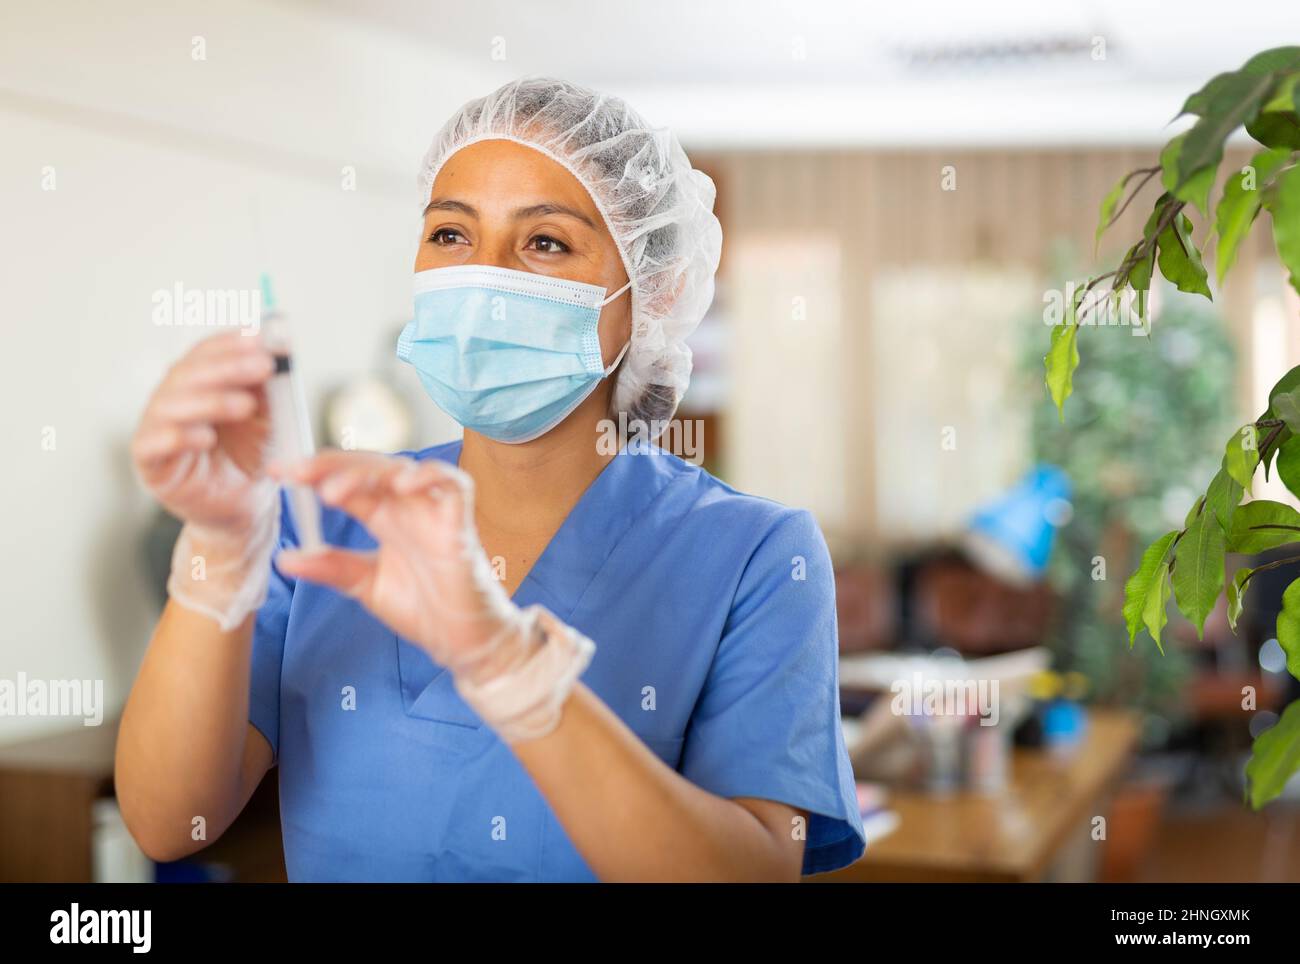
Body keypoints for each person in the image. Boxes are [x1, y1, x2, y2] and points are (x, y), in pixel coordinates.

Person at [116, 77, 865, 881]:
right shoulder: (317, 516)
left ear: (651, 293)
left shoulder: (755, 553)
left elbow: (751, 873)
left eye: (544, 241)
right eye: (450, 233)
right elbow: (170, 822)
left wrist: (510, 667)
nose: (483, 279)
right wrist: (221, 542)